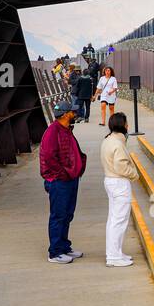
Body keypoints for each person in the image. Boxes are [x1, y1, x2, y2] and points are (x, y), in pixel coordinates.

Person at [40, 99, 86, 265]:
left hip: (69, 179)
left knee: (67, 214)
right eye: (72, 112)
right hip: (60, 181)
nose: (74, 114)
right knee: (58, 215)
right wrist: (63, 174)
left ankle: (64, 246)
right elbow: (48, 157)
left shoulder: (65, 129)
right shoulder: (53, 131)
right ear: (66, 114)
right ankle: (55, 252)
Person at [100, 111, 139, 267]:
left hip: (110, 180)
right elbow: (121, 166)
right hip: (119, 183)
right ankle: (114, 257)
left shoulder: (108, 140)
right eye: (126, 123)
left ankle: (115, 252)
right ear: (123, 126)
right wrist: (134, 175)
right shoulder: (118, 143)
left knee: (114, 219)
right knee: (119, 220)